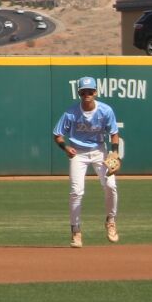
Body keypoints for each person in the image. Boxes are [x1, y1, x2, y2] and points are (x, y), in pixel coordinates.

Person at [52, 76, 122, 248]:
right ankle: (76, 231)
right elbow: (57, 134)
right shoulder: (71, 113)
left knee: (111, 186)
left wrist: (114, 152)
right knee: (77, 192)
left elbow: (114, 133)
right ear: (79, 93)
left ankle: (111, 221)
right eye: (83, 92)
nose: (87, 95)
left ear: (95, 92)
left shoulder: (105, 110)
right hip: (78, 153)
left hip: (99, 151)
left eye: (90, 91)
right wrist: (65, 148)